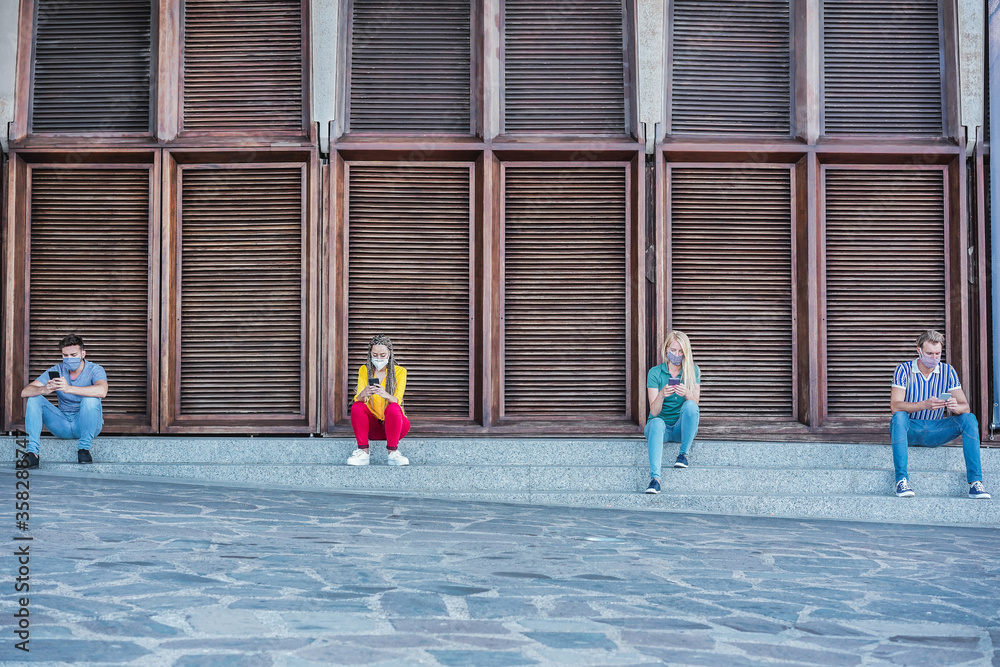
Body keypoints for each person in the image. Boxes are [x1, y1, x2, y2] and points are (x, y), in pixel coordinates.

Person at [889, 330, 990, 499]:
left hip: (937, 430)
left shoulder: (948, 371)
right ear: (919, 351)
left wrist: (955, 407)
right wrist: (924, 405)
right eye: (929, 353)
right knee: (899, 416)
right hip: (911, 429)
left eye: (938, 353)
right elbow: (895, 405)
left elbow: (965, 407)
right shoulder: (903, 370)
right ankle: (901, 481)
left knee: (969, 419)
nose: (934, 358)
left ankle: (975, 483)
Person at [18, 334, 108, 469]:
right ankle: (32, 453)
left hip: (86, 426)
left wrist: (69, 388)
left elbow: (102, 391)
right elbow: (25, 392)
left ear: (83, 353)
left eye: (73, 355)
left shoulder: (95, 369)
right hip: (62, 424)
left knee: (91, 400)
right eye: (65, 356)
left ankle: (84, 450)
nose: (69, 359)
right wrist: (45, 388)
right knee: (34, 398)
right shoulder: (57, 370)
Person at [643, 330, 701, 493]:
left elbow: (695, 406)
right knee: (657, 422)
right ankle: (655, 480)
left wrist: (687, 393)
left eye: (681, 351)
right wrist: (661, 394)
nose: (677, 354)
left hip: (679, 429)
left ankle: (683, 455)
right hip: (659, 430)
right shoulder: (655, 372)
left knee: (690, 406)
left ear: (686, 352)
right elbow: (654, 412)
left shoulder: (693, 371)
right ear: (666, 349)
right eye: (673, 350)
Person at [346, 334, 410, 466]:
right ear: (370, 355)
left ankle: (393, 453)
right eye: (375, 355)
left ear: (389, 354)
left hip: (397, 426)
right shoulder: (364, 370)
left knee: (393, 407)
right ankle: (363, 452)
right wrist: (363, 393)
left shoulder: (400, 372)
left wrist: (385, 394)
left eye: (382, 355)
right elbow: (359, 399)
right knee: (357, 405)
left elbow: (397, 399)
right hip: (373, 428)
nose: (379, 358)